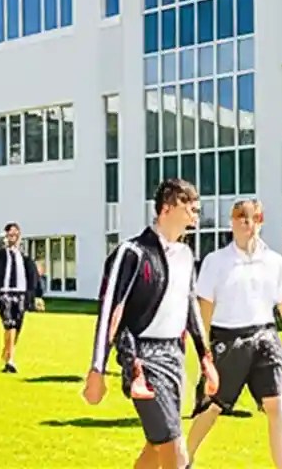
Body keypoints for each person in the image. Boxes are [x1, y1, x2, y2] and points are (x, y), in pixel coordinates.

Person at [83, 178, 219, 469]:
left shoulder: (185, 255)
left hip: (174, 359)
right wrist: (98, 369)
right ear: (167, 207)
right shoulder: (131, 252)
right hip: (141, 361)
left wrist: (205, 356)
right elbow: (108, 309)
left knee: (156, 448)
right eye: (190, 204)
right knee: (174, 448)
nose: (197, 210)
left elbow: (190, 305)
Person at [186, 199, 282, 469]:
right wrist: (204, 356)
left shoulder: (274, 262)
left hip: (266, 339)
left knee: (276, 407)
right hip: (228, 341)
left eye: (252, 218)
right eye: (240, 218)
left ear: (260, 221)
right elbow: (204, 312)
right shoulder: (216, 262)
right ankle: (183, 460)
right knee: (214, 407)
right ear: (232, 222)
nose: (246, 224)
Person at [0, 222, 45, 373]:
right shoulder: (0, 256)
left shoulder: (24, 257)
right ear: (6, 236)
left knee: (17, 327)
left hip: (21, 294)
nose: (13, 238)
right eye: (10, 235)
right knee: (9, 324)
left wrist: (37, 296)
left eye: (15, 235)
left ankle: (8, 350)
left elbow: (34, 278)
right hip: (5, 293)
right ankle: (10, 360)